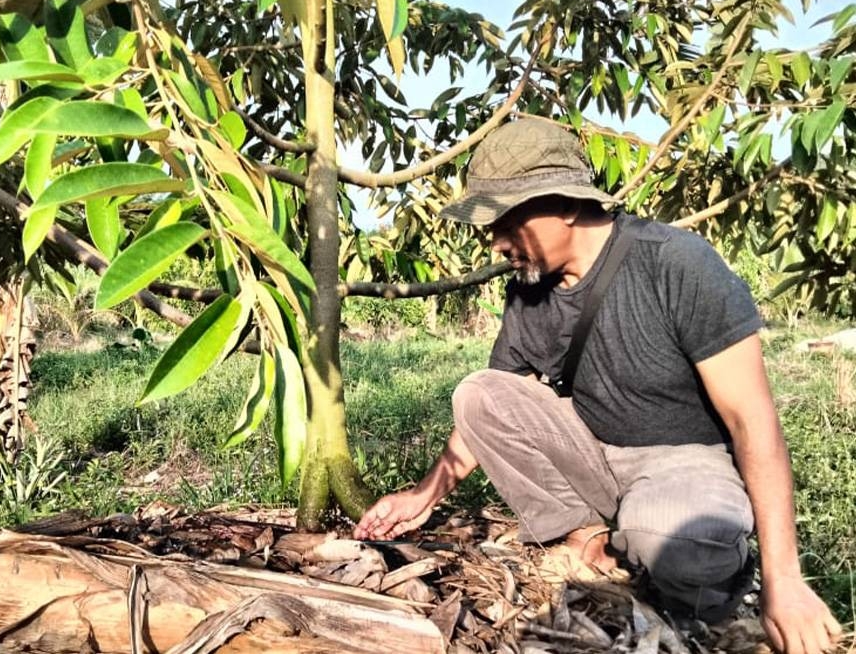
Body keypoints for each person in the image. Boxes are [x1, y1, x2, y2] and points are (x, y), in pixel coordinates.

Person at [353, 118, 842, 654]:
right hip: (593, 454)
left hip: (682, 462)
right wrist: (423, 496)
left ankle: (670, 551)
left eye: (507, 221)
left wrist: (785, 578)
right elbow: (495, 406)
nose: (496, 243)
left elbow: (754, 422)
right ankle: (590, 533)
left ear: (564, 204)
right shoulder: (530, 293)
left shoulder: (675, 263)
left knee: (673, 540)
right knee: (479, 390)